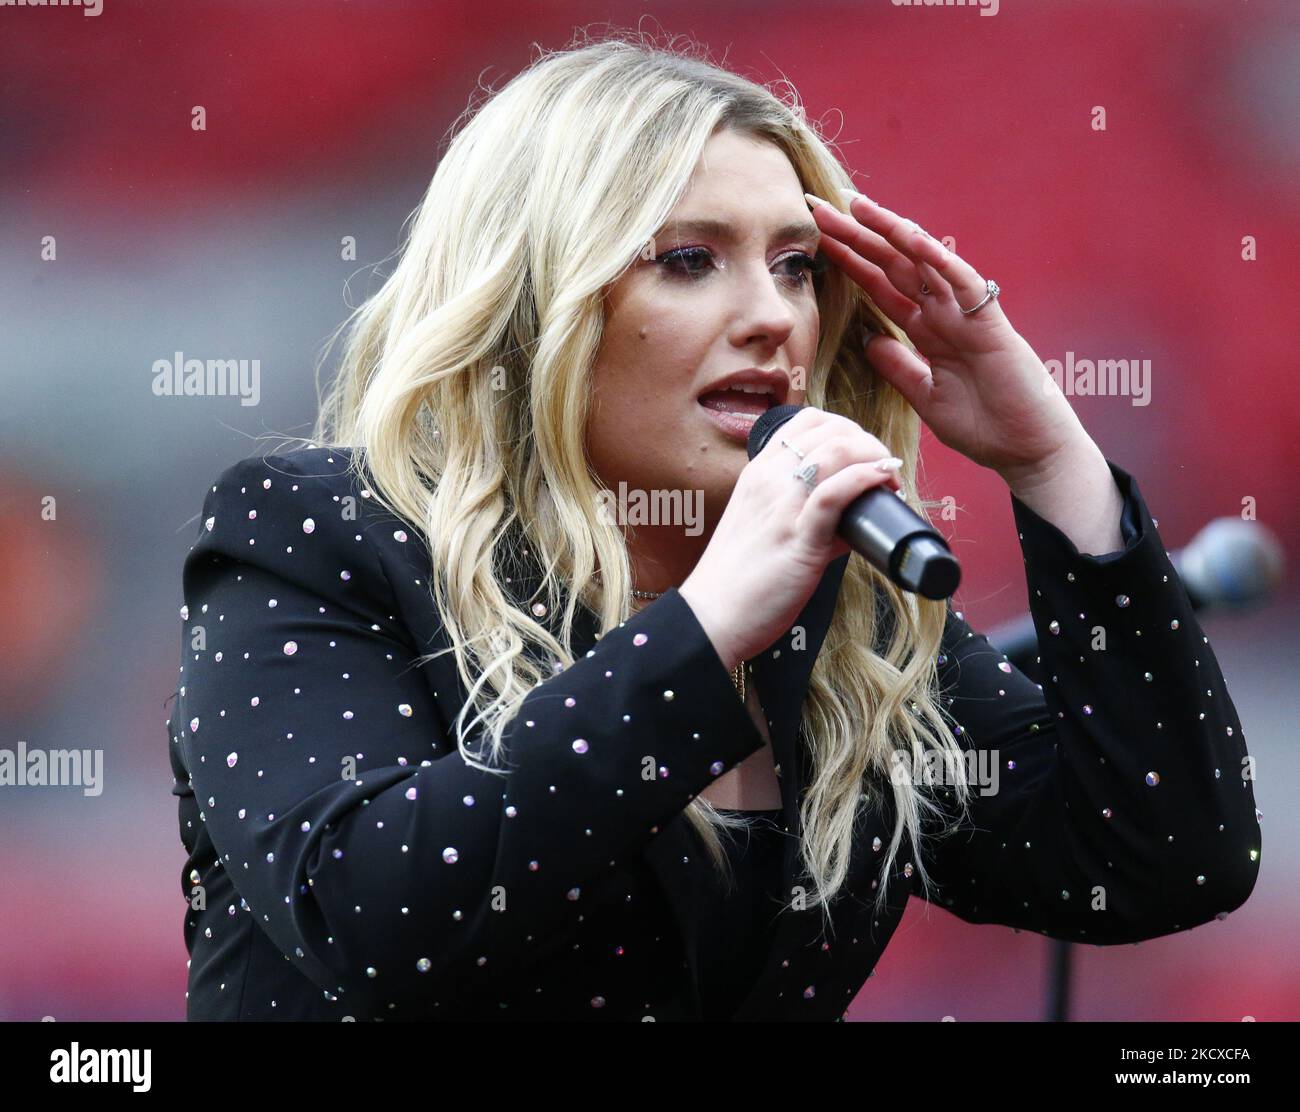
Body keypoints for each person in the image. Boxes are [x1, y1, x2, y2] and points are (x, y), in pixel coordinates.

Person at [166, 32, 1260, 1021]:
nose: (773, 316)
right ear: (531, 301)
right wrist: (705, 629)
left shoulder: (841, 614)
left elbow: (1162, 856)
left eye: (796, 267)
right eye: (689, 260)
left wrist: (1053, 465)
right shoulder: (320, 534)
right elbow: (373, 915)